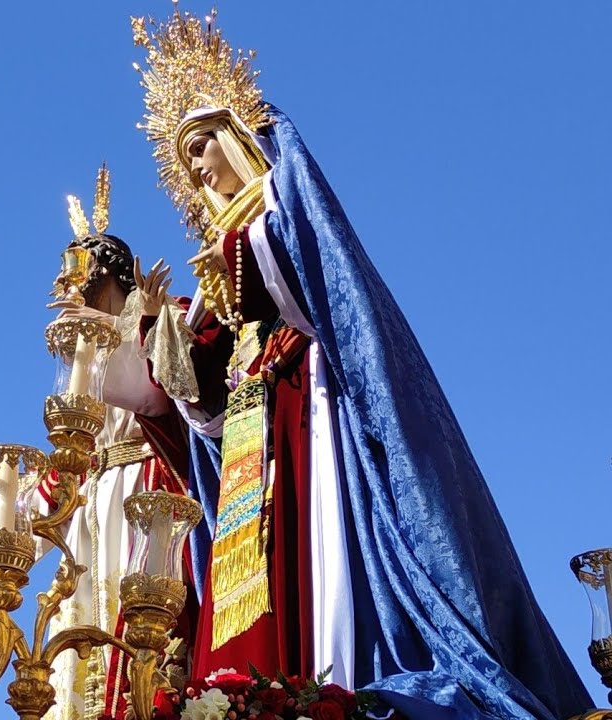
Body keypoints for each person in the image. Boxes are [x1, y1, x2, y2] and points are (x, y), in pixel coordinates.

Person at [122, 7, 592, 719]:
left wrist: (237, 252)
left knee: (316, 548)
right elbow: (205, 397)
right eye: (184, 156)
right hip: (254, 424)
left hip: (309, 402)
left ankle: (325, 683)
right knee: (258, 570)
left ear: (234, 137)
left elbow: (316, 286)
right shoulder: (221, 246)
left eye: (201, 146)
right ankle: (259, 688)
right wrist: (165, 336)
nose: (193, 168)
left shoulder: (279, 208)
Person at [41, 169, 194, 720]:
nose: (65, 292)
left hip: (147, 486)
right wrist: (15, 514)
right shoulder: (78, 352)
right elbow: (71, 447)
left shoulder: (157, 315)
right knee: (80, 629)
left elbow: (170, 394)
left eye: (74, 277)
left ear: (105, 274)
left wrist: (141, 327)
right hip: (93, 499)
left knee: (149, 619)